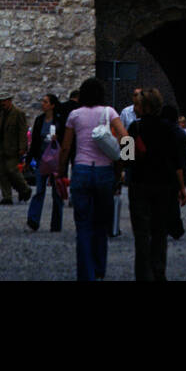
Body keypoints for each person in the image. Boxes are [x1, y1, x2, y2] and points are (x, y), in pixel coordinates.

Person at [58, 75, 129, 281]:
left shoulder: (74, 115)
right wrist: (124, 165)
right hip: (104, 172)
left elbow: (66, 147)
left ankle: (86, 274)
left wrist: (61, 170)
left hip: (81, 170)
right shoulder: (109, 112)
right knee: (101, 224)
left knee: (83, 226)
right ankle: (99, 269)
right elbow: (125, 138)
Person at [126, 88, 186, 281]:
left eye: (137, 104)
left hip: (140, 184)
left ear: (145, 106)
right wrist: (182, 187)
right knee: (160, 231)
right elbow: (177, 161)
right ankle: (159, 271)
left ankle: (143, 275)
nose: (134, 107)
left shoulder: (134, 128)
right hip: (164, 185)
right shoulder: (169, 129)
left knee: (142, 233)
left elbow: (126, 157)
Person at [25, 93, 65, 232]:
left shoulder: (60, 120)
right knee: (40, 190)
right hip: (42, 159)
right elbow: (35, 141)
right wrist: (29, 159)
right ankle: (33, 220)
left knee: (57, 193)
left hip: (55, 160)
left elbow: (65, 138)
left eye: (45, 102)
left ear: (52, 105)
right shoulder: (39, 120)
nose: (43, 104)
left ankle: (56, 224)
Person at [0, 94, 30, 204]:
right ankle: (7, 197)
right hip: (1, 148)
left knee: (13, 171)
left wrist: (22, 147)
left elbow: (23, 131)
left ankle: (25, 189)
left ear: (9, 101)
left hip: (12, 148)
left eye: (4, 101)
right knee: (1, 174)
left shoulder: (18, 113)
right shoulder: (2, 114)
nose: (2, 104)